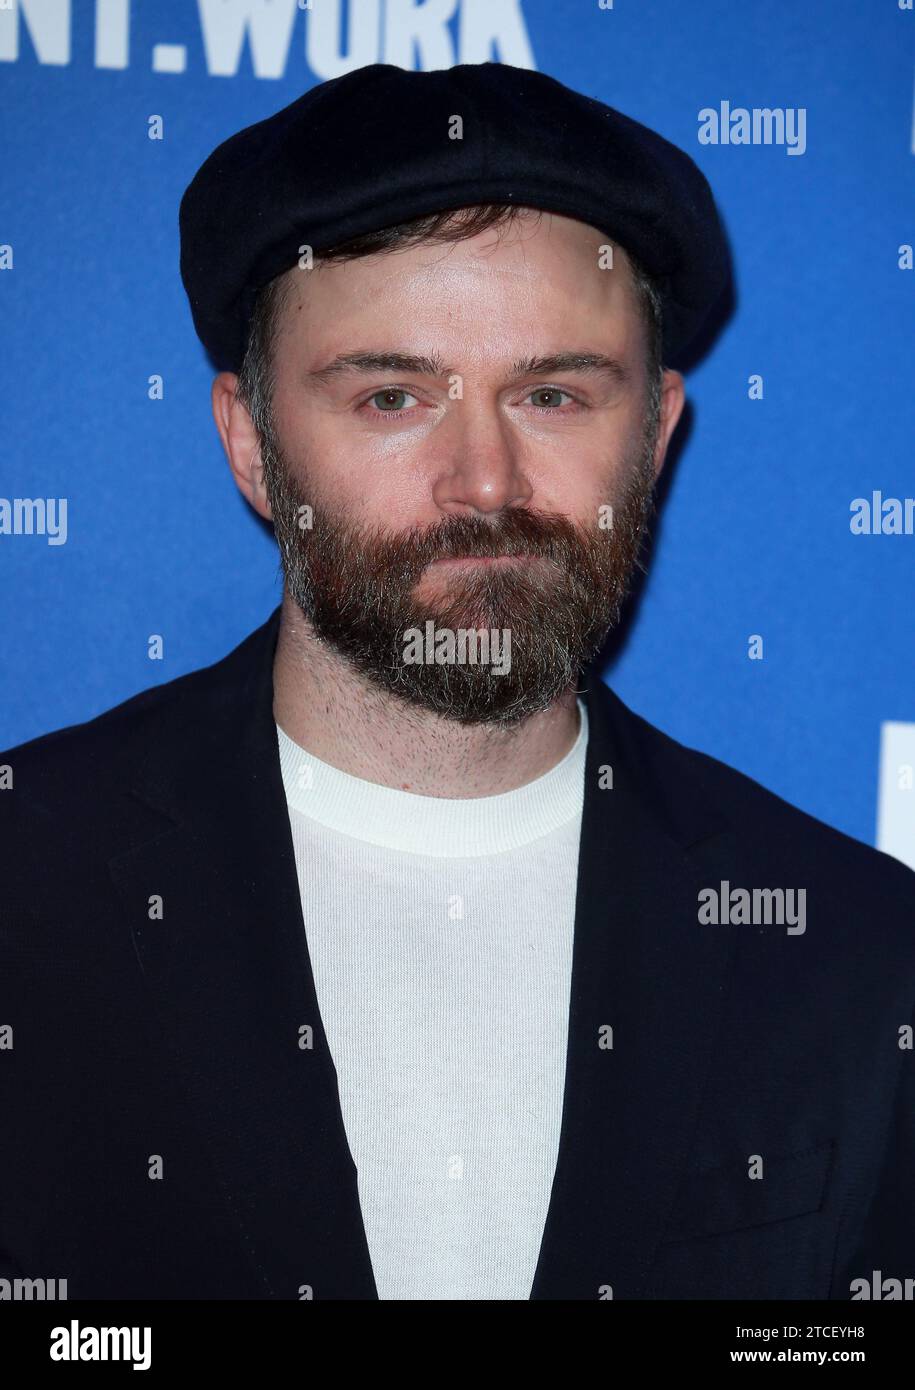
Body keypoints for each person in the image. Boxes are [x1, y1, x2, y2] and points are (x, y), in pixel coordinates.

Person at [1, 62, 913, 1303]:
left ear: (653, 434)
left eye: (551, 393)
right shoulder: (26, 889)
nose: (484, 480)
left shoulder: (854, 952)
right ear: (250, 444)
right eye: (391, 395)